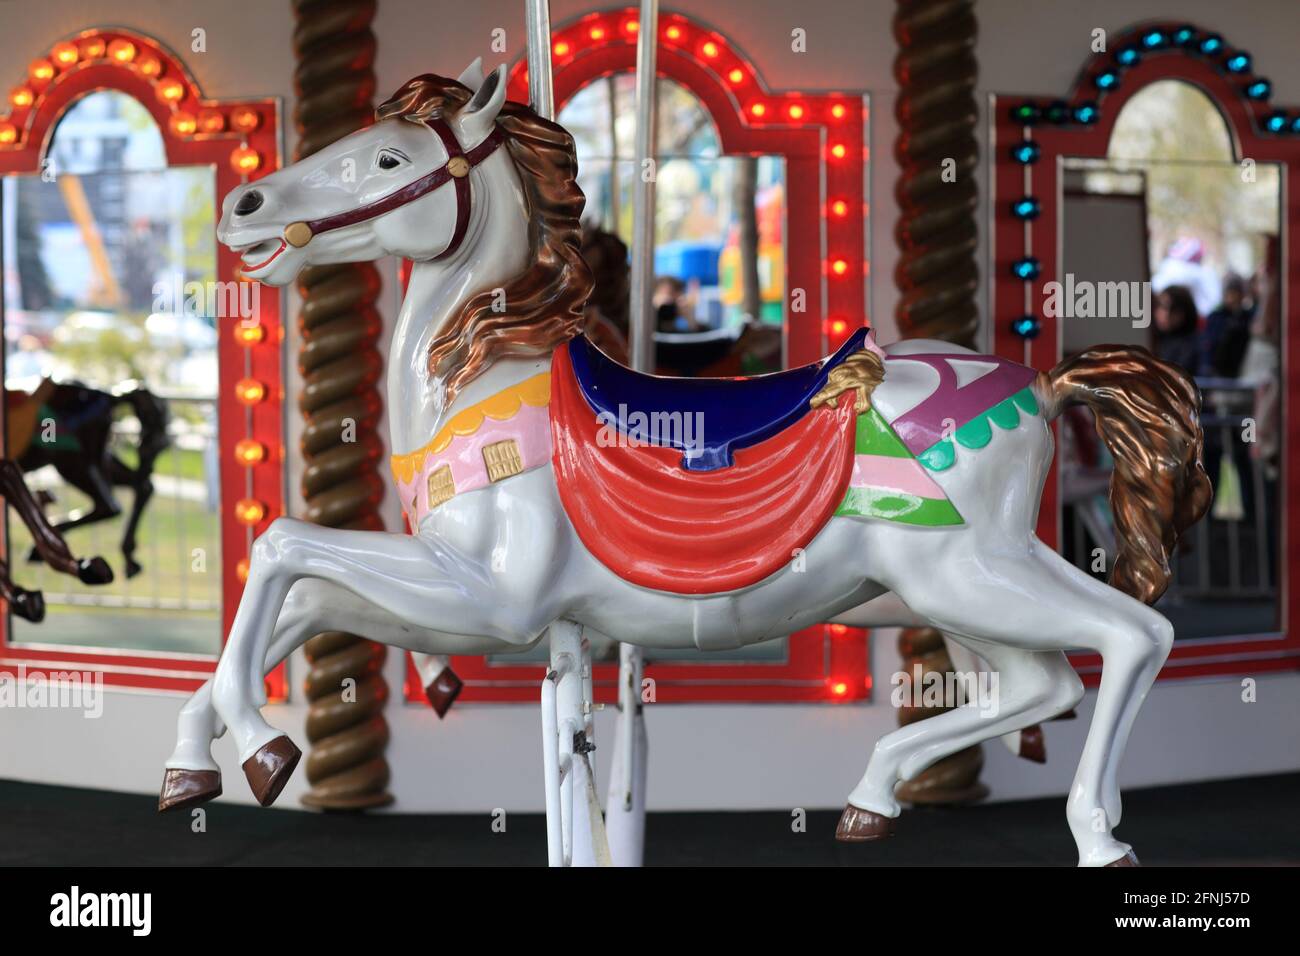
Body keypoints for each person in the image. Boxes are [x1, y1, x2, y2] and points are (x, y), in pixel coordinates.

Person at [1199, 274, 1254, 378]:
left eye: (1235, 293)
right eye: (1229, 293)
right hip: (1217, 372)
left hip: (1241, 370)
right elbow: (1208, 343)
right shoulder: (1215, 317)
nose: (1231, 298)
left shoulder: (1247, 317)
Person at [1152, 284, 1199, 373]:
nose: (1165, 314)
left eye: (1173, 309)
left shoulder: (1194, 344)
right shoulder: (1153, 338)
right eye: (1161, 306)